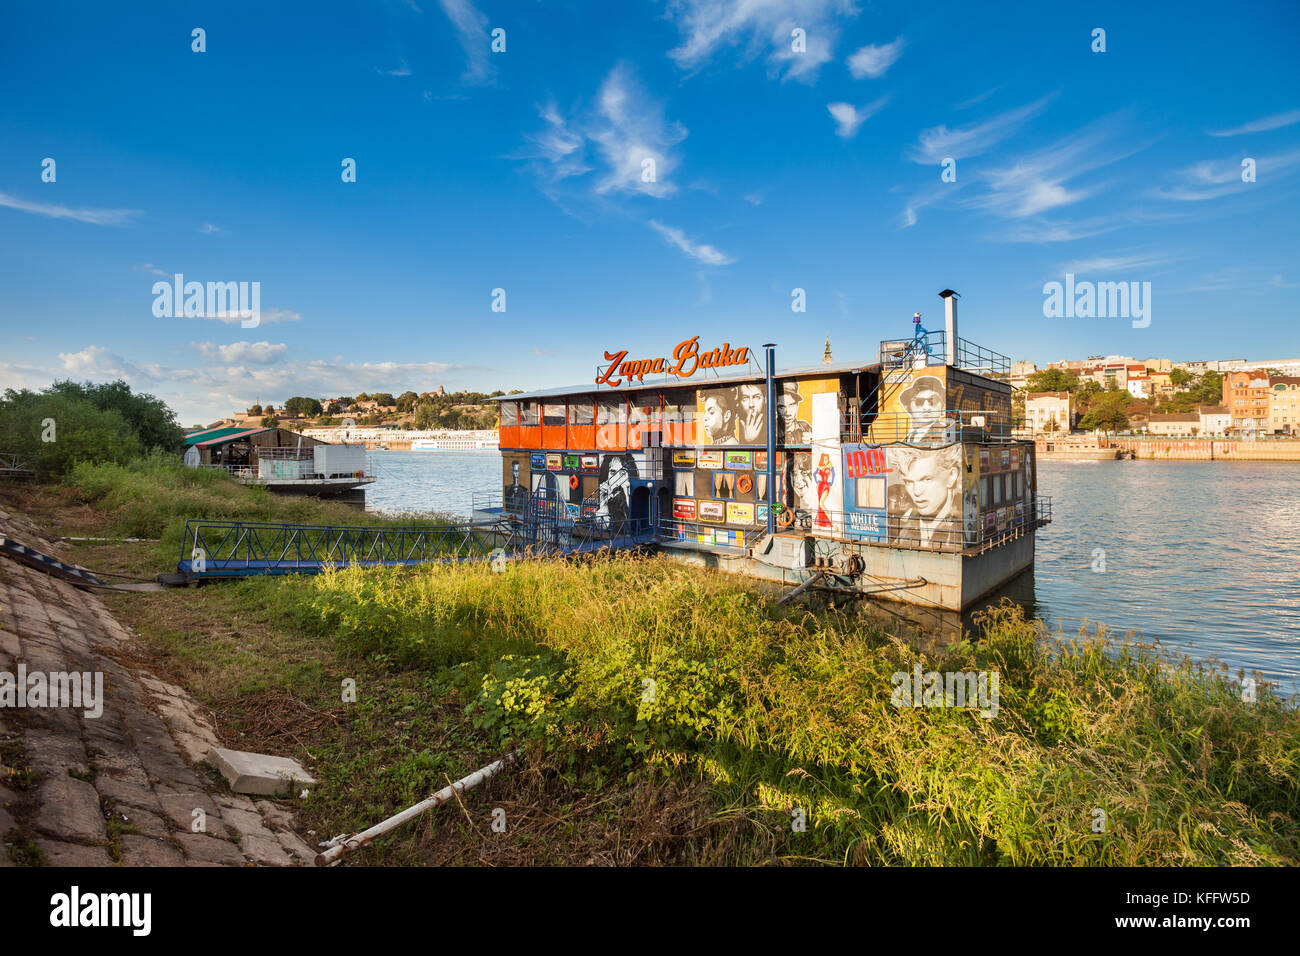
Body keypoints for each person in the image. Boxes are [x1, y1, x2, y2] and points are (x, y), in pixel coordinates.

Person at [889, 446, 962, 548]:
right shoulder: (903, 522)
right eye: (908, 482)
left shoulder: (965, 523)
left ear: (951, 476)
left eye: (926, 479)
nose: (916, 492)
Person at [899, 375, 954, 444]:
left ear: (943, 407)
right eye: (919, 401)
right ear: (908, 408)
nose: (926, 407)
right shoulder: (908, 437)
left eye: (933, 401)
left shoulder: (945, 434)